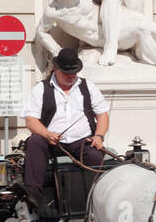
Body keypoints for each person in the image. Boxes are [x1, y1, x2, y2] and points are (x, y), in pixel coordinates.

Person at [22, 47, 110, 207]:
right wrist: (47, 134)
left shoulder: (88, 87)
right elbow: (31, 120)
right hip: (51, 141)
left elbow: (102, 114)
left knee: (95, 155)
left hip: (81, 141)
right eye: (66, 74)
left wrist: (99, 136)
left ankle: (92, 199)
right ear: (56, 69)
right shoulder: (41, 88)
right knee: (35, 142)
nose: (71, 77)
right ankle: (33, 194)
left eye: (73, 73)